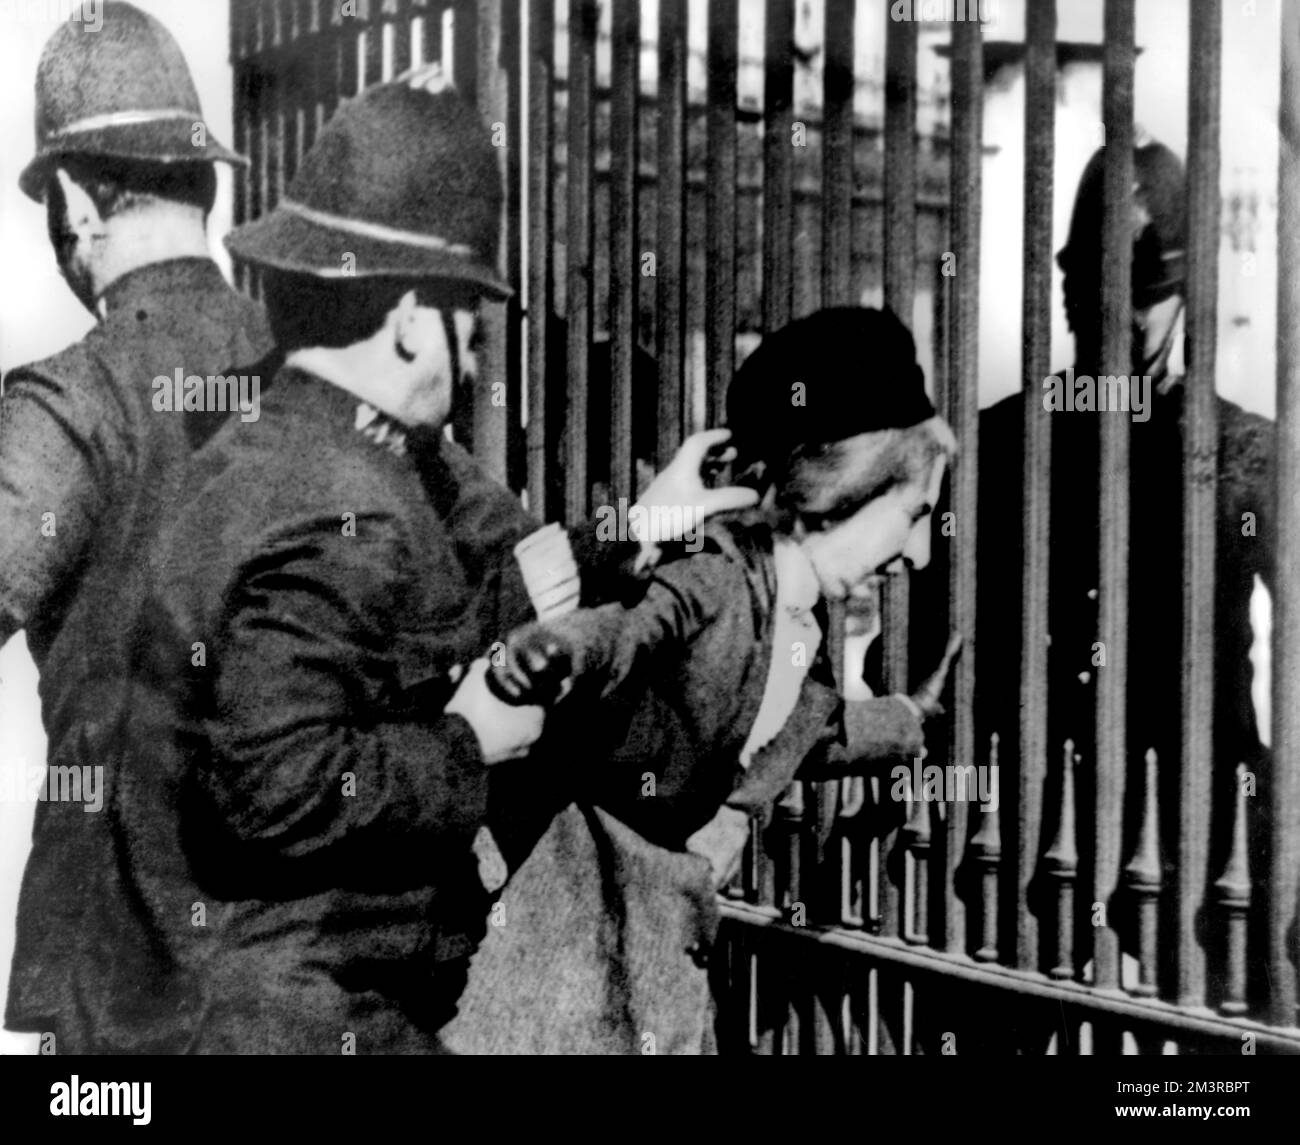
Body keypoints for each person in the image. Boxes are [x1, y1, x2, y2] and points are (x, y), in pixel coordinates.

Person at [76, 64, 752, 1054]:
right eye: (468, 328)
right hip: (294, 1020)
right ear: (404, 321)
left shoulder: (275, 451)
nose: (474, 362)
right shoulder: (344, 505)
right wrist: (467, 740)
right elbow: (280, 785)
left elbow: (422, 625)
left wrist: (633, 533)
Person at [441, 307, 960, 1055]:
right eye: (912, 514)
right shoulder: (716, 579)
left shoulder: (799, 625)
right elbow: (629, 630)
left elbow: (800, 731)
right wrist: (555, 653)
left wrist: (907, 717)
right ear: (842, 487)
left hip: (648, 949)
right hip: (561, 937)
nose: (917, 552)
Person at [912, 141, 1275, 993]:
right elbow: (922, 650)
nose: (1112, 327)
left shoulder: (1245, 455)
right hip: (1025, 839)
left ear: (1189, 296)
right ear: (1067, 290)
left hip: (1199, 840)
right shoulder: (1002, 447)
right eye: (1092, 301)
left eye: (1140, 303)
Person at [2, 2, 272, 1050]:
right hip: (315, 962)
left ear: (72, 197)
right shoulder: (317, 380)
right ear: (205, 182)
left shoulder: (76, 401)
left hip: (126, 981)